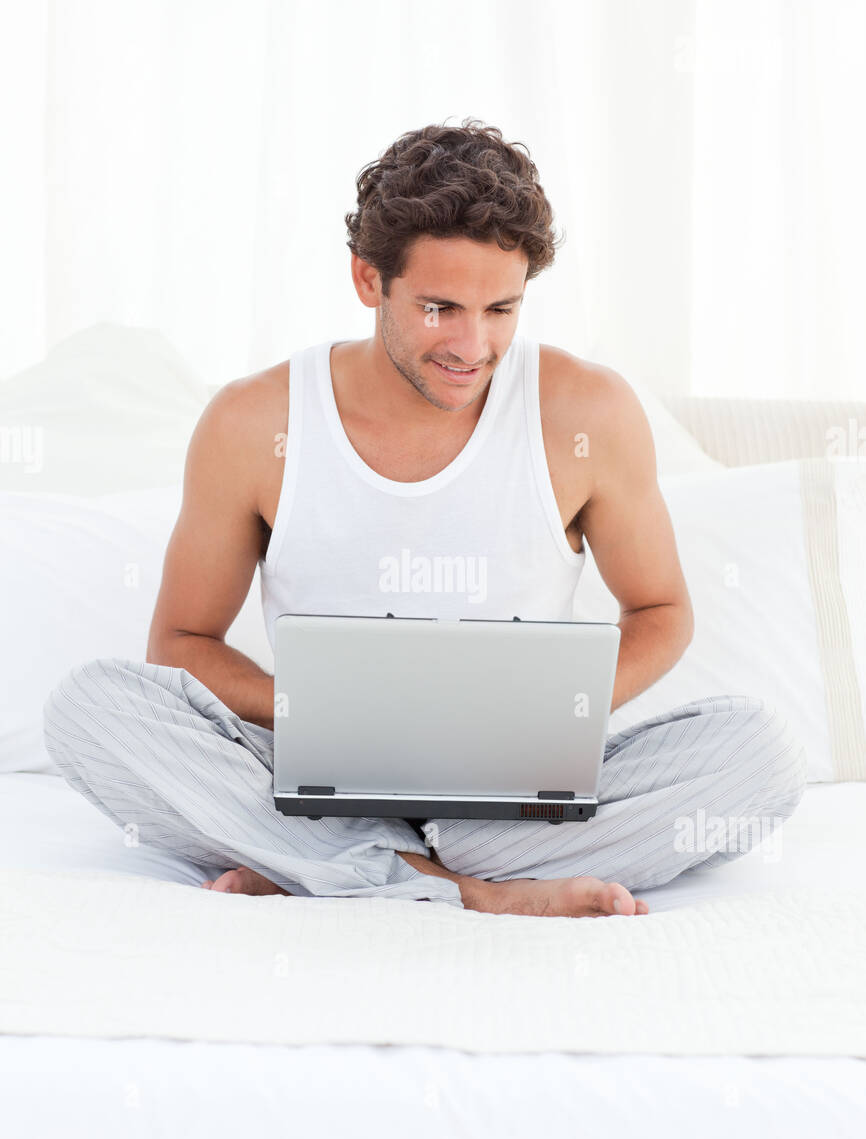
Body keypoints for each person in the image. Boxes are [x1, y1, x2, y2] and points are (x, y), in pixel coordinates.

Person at [43, 119, 807, 918]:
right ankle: (466, 892)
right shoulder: (252, 422)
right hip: (315, 773)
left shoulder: (589, 413)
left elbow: (663, 610)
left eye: (501, 310)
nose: (473, 348)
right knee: (92, 708)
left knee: (762, 758)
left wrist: (547, 719)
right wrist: (329, 714)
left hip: (512, 796)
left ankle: (330, 871)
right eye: (440, 308)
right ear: (368, 280)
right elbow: (179, 643)